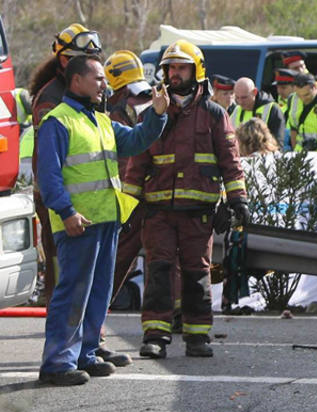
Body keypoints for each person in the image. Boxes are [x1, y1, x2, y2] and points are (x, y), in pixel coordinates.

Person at [36, 55, 168, 385]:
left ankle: (86, 352)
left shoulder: (102, 121)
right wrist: (66, 212)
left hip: (106, 220)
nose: (104, 84)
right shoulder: (58, 122)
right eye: (98, 78)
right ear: (76, 81)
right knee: (73, 292)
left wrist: (158, 114)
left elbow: (138, 140)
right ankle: (57, 362)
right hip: (78, 223)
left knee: (98, 291)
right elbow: (49, 177)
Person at [122, 40, 248, 359]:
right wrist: (127, 208)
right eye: (170, 68)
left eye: (181, 68)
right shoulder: (154, 114)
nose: (174, 74)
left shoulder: (215, 115)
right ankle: (155, 335)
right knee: (159, 270)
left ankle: (197, 336)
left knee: (196, 273)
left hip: (200, 213)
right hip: (158, 211)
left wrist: (238, 201)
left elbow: (230, 161)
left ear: (197, 71)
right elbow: (138, 162)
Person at [29, 24, 104, 305]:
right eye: (87, 59)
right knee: (63, 270)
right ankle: (64, 334)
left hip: (88, 198)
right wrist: (64, 207)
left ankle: (90, 339)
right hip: (59, 200)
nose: (96, 67)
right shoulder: (50, 100)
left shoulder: (91, 95)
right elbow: (51, 165)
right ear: (65, 61)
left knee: (89, 272)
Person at [102, 51, 172, 317]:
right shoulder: (122, 112)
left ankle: (100, 315)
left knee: (123, 261)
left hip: (138, 197)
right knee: (132, 261)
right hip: (144, 196)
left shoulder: (118, 112)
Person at [230, 77, 285, 146]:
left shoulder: (272, 109)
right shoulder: (237, 110)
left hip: (264, 154)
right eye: (237, 97)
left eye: (244, 97)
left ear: (254, 92)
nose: (240, 102)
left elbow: (278, 142)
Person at [273, 68, 300, 150]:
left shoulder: (301, 104)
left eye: (283, 88)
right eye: (278, 87)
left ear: (294, 87)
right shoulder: (276, 105)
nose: (279, 91)